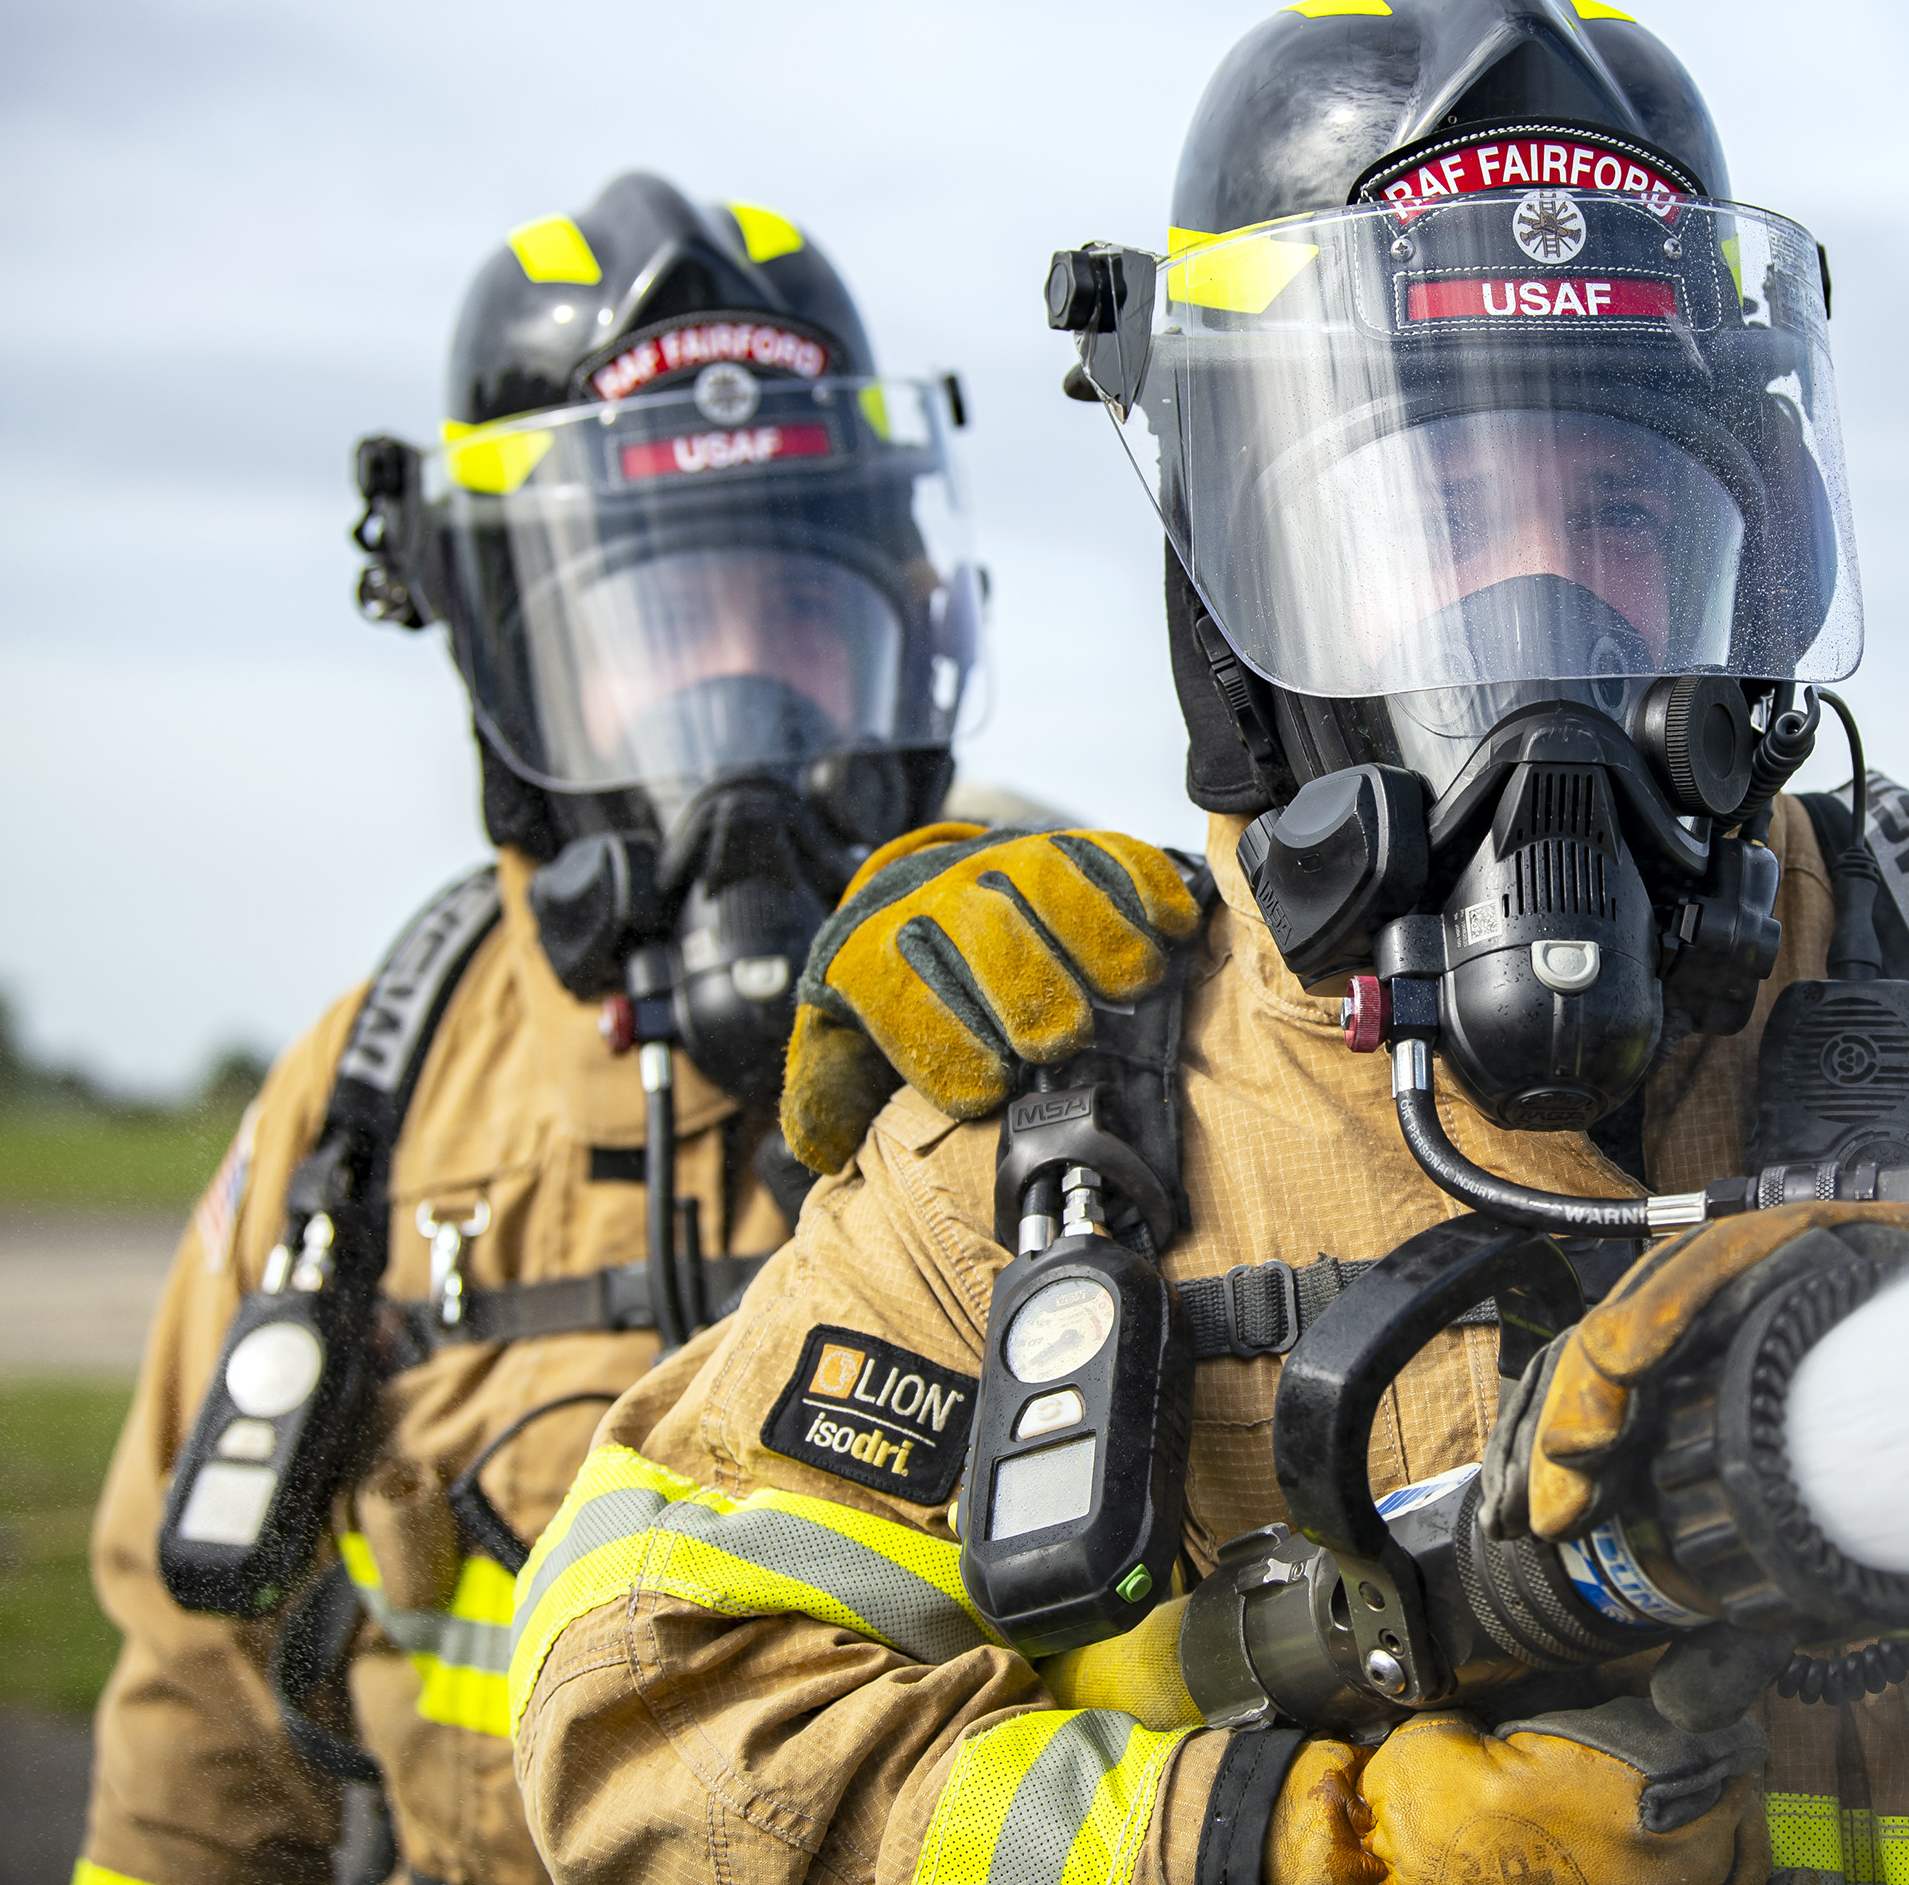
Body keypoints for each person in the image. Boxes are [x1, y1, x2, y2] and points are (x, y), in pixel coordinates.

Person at [509, 0, 1909, 1885]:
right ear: (1246, 612)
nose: (1539, 646)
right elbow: (638, 1700)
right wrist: (1281, 1844)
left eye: (1617, 518)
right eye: (1434, 522)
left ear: (1746, 569)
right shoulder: (1090, 1107)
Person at [77, 172, 1195, 1885]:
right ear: (506, 686)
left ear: (911, 628)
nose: (739, 733)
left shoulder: (1069, 990)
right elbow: (200, 1732)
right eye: (654, 644)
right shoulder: (367, 1102)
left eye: (796, 631)